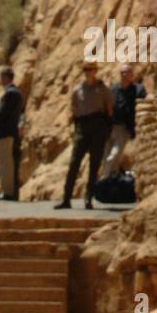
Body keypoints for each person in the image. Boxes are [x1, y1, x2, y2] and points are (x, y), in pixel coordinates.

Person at [55, 63, 113, 210]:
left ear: (95, 71)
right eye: (85, 70)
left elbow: (109, 109)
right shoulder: (77, 90)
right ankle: (66, 198)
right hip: (82, 126)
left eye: (90, 70)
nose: (88, 73)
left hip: (98, 126)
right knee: (74, 163)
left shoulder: (102, 89)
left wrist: (105, 129)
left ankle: (88, 199)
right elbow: (73, 109)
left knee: (94, 165)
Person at [101, 65, 147, 179]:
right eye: (122, 72)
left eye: (127, 72)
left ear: (132, 74)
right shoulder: (113, 90)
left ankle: (106, 176)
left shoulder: (138, 89)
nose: (124, 74)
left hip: (124, 127)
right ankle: (112, 177)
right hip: (110, 127)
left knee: (114, 155)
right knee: (106, 154)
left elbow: (145, 100)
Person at [0, 66, 23, 200]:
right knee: (7, 164)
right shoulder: (17, 92)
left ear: (5, 78)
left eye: (1, 77)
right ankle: (8, 192)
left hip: (4, 132)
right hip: (10, 132)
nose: (0, 80)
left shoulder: (10, 93)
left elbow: (2, 112)